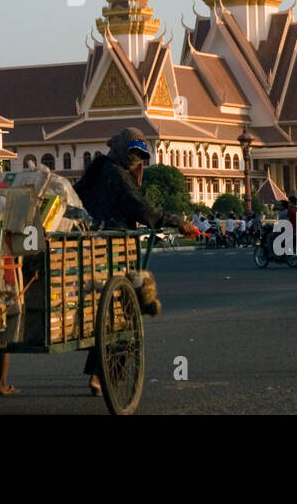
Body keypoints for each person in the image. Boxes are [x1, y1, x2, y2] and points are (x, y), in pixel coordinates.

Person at [73, 127, 194, 394]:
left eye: (140, 155)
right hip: (113, 249)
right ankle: (102, 374)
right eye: (133, 153)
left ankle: (98, 373)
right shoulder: (116, 174)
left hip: (88, 249)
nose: (135, 159)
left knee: (103, 310)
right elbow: (139, 208)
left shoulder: (98, 169)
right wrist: (175, 220)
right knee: (125, 312)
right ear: (120, 149)